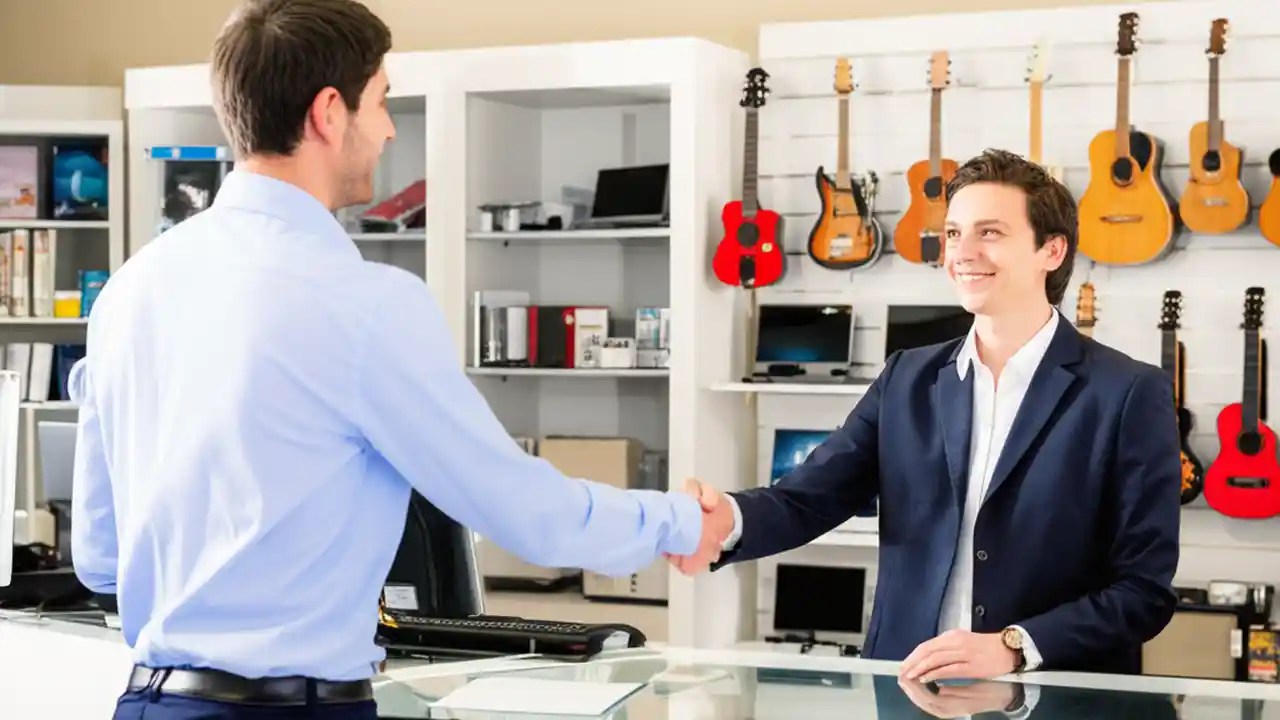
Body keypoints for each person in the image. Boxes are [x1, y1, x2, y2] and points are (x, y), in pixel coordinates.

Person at [69, 1, 718, 718]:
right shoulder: (364, 302)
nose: (386, 129)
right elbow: (524, 511)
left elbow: (99, 556)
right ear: (327, 112)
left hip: (148, 704)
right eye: (380, 102)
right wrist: (683, 523)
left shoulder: (128, 290)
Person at [675, 149, 1181, 683]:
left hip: (1052, 697)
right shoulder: (906, 378)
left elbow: (1142, 590)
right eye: (954, 233)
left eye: (990, 233)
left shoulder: (1128, 392)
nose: (962, 252)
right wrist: (727, 519)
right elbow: (808, 498)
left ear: (1051, 250)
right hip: (906, 691)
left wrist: (1013, 648)